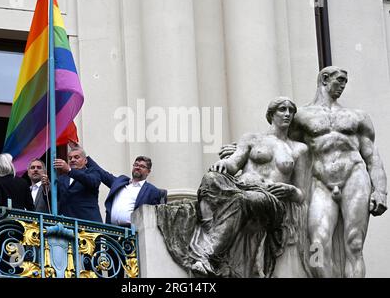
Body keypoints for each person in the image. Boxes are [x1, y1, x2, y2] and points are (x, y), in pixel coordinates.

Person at [186, 97, 311, 277]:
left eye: (291, 111)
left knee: (242, 200)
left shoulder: (299, 149)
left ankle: (207, 255)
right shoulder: (252, 138)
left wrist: (290, 190)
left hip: (270, 198)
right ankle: (209, 230)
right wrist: (223, 164)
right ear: (271, 114)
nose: (287, 114)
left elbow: (302, 193)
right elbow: (234, 163)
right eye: (282, 109)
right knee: (210, 178)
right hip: (241, 186)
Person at [289, 66, 387, 278]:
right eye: (340, 80)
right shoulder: (301, 116)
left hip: (354, 176)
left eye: (345, 81)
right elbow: (283, 145)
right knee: (316, 244)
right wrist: (241, 148)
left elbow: (372, 156)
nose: (343, 86)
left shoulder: (357, 117)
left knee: (354, 243)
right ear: (324, 79)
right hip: (321, 181)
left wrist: (380, 191)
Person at [90, 156, 162, 227]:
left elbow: (155, 218)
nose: (138, 167)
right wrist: (84, 158)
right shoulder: (120, 182)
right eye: (136, 165)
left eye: (142, 166)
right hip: (112, 231)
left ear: (148, 172)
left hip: (134, 234)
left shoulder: (152, 191)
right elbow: (102, 174)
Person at [47, 146, 103, 222]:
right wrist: (47, 187)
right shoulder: (62, 178)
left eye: (76, 157)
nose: (72, 160)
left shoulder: (92, 172)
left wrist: (69, 170)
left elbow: (92, 182)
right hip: (67, 224)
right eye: (70, 158)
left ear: (85, 160)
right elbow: (53, 199)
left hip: (87, 223)